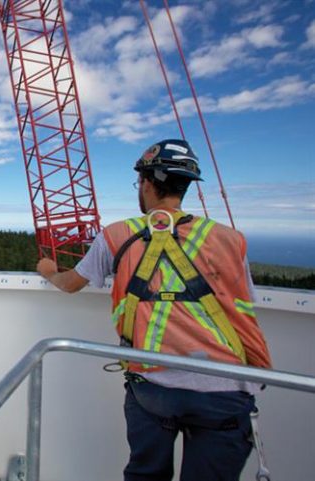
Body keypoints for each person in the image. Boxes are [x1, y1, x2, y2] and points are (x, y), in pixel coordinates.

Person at [36, 139, 271, 481]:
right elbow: (242, 304)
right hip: (226, 391)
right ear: (185, 186)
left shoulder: (118, 235)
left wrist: (47, 271)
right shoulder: (229, 240)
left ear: (146, 183)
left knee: (146, 475)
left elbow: (71, 283)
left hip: (152, 387)